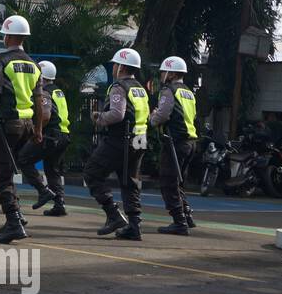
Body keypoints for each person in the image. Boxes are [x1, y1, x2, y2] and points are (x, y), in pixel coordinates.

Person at [0, 15, 43, 244]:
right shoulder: (34, 64)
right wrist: (39, 129)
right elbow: (39, 100)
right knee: (10, 171)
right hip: (27, 125)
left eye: (4, 34)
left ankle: (13, 222)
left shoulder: (1, 61)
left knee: (1, 173)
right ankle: (17, 215)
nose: (3, 38)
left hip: (6, 125)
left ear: (10, 36)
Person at [84, 47, 149, 241]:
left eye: (115, 65)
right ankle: (134, 226)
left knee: (92, 173)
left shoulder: (119, 87)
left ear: (121, 67)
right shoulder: (140, 88)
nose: (113, 68)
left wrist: (98, 117)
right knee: (130, 182)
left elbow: (117, 114)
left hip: (119, 139)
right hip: (139, 140)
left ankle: (113, 215)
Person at [150, 55, 198, 235]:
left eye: (164, 71)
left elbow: (162, 114)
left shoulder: (169, 90)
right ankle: (187, 215)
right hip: (190, 142)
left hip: (175, 142)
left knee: (168, 182)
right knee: (177, 182)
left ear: (171, 73)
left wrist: (151, 120)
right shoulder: (188, 92)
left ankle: (179, 221)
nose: (162, 74)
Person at [17, 60, 71, 218]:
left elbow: (46, 115)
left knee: (23, 159)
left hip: (50, 135)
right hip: (63, 135)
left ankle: (43, 190)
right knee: (52, 170)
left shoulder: (45, 92)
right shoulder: (58, 91)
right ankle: (59, 204)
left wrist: (35, 129)